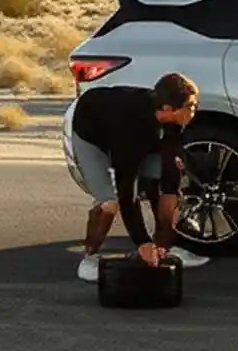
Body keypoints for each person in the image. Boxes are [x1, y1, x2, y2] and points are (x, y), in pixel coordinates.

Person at [69, 72, 211, 282]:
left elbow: (170, 178)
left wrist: (163, 240)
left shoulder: (173, 121)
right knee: (110, 203)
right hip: (91, 134)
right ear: (167, 109)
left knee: (163, 181)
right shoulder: (129, 132)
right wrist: (142, 241)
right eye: (190, 106)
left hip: (139, 134)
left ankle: (165, 247)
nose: (194, 110)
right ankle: (89, 257)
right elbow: (128, 191)